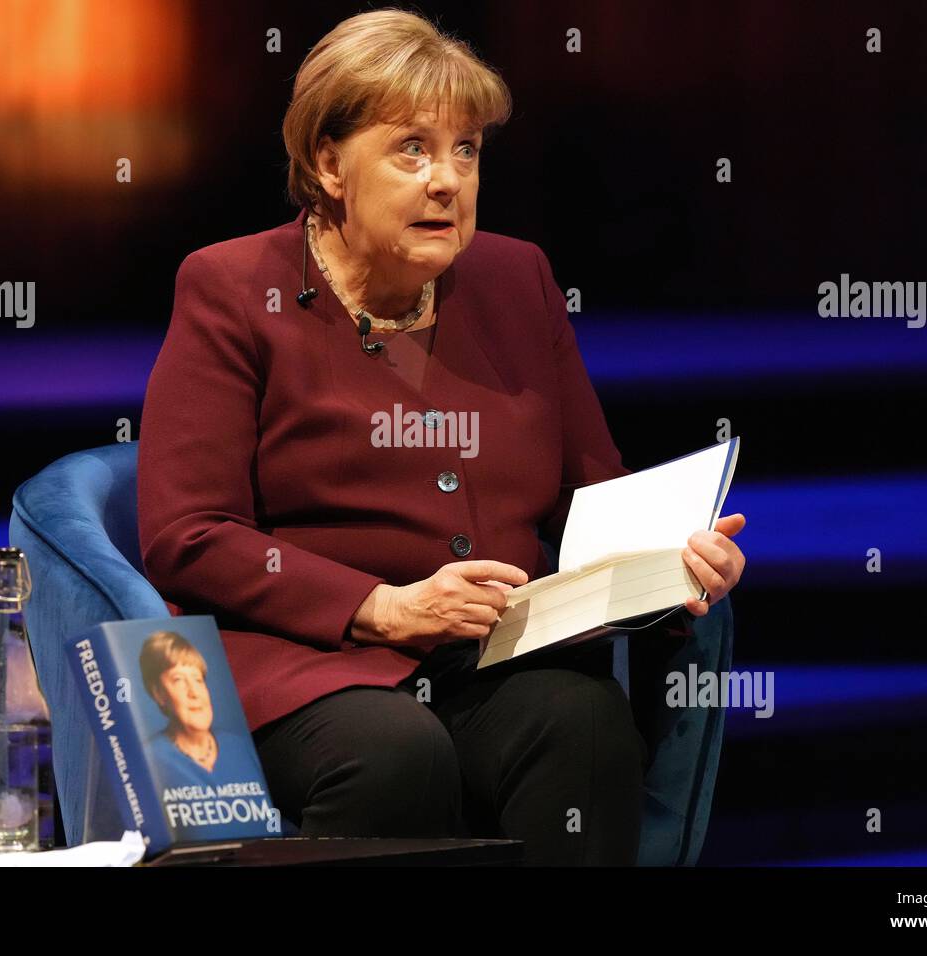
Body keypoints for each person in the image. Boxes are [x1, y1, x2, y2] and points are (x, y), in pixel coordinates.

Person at [137, 8, 746, 865]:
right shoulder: (233, 289)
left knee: (584, 726)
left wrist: (675, 559)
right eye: (412, 149)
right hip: (306, 660)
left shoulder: (514, 277)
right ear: (328, 163)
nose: (447, 181)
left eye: (465, 150)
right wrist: (379, 606)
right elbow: (186, 533)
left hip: (487, 655)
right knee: (395, 753)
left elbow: (592, 491)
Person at [138, 631, 258, 791]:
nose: (194, 692)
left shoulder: (237, 746)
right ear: (158, 694)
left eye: (198, 680)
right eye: (178, 680)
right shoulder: (151, 758)